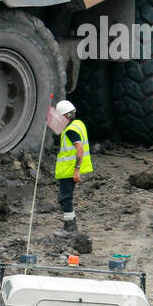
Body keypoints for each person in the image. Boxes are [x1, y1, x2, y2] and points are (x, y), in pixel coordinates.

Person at [52, 99, 93, 232]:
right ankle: (70, 225)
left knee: (65, 198)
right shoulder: (78, 124)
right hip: (69, 169)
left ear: (65, 116)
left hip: (69, 170)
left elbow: (79, 149)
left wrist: (76, 170)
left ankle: (70, 228)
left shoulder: (70, 131)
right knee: (66, 197)